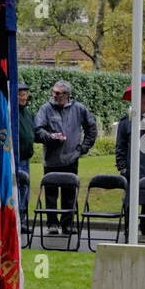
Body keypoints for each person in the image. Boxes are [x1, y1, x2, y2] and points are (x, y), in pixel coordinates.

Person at [33, 80, 97, 236]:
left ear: (66, 95)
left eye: (57, 93)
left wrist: (83, 148)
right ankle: (52, 224)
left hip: (71, 159)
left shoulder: (79, 109)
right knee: (51, 194)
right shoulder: (45, 109)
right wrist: (50, 137)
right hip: (51, 161)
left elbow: (92, 128)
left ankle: (67, 224)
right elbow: (37, 131)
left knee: (69, 194)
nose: (54, 95)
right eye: (53, 92)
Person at [115, 91, 145, 238]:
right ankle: (130, 227)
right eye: (144, 103)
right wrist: (122, 167)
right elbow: (120, 146)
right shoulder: (126, 122)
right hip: (132, 165)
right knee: (131, 198)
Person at [16, 82, 34, 223]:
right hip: (15, 159)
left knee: (25, 190)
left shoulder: (27, 113)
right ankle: (16, 222)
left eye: (25, 94)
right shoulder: (11, 112)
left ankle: (22, 221)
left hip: (25, 159)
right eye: (21, 95)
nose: (24, 97)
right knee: (17, 191)